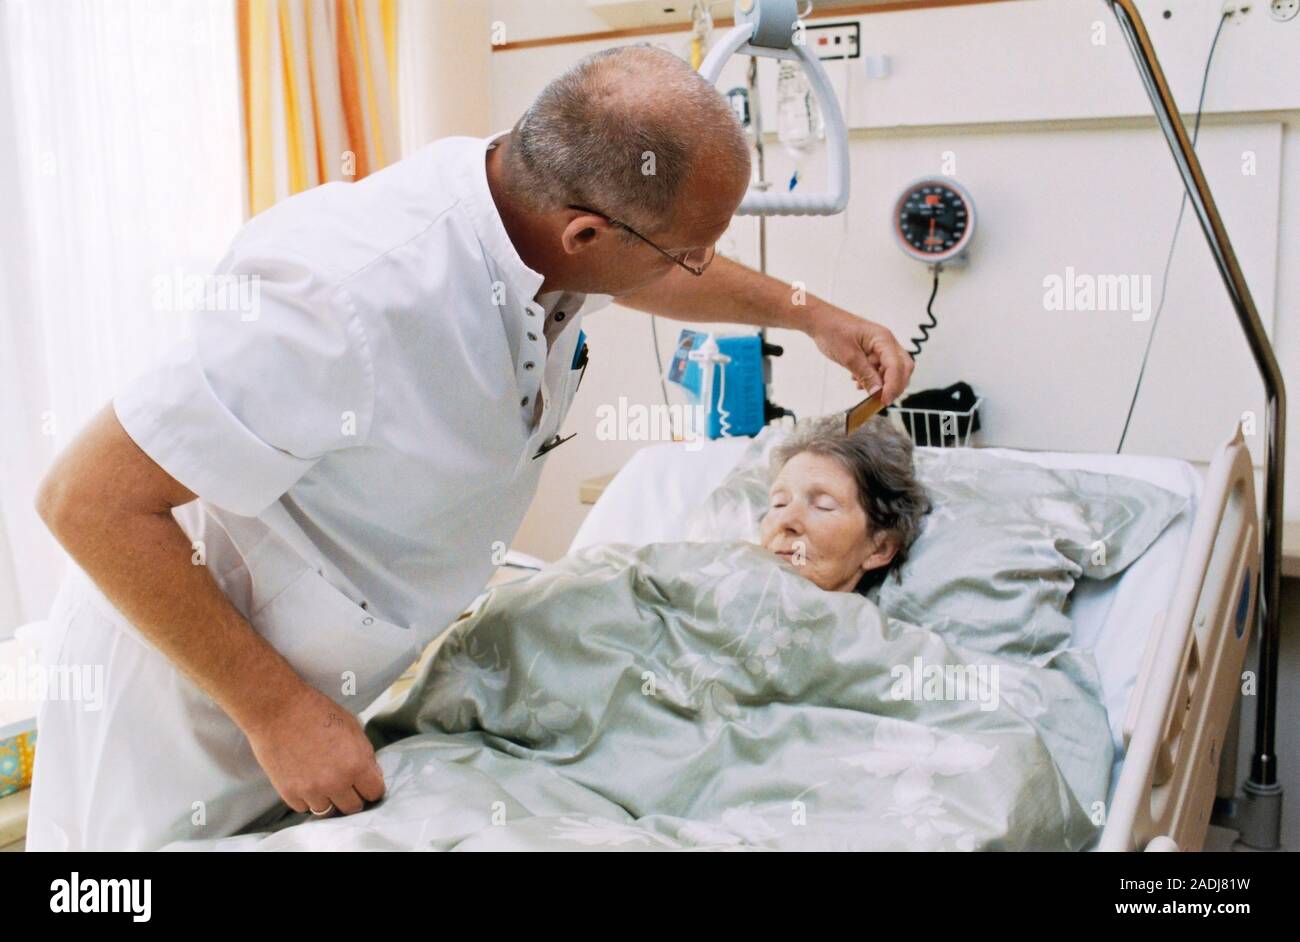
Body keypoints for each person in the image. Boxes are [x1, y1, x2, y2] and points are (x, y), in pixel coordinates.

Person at [28, 44, 913, 850]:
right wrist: (277, 712)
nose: (696, 268)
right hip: (184, 693)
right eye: (690, 255)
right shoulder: (340, 297)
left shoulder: (537, 204)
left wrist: (813, 316)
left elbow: (653, 263)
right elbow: (86, 499)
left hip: (330, 679)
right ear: (588, 237)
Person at [760, 416, 930, 594]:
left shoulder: (870, 622)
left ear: (880, 549)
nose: (785, 521)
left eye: (823, 505)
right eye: (779, 504)